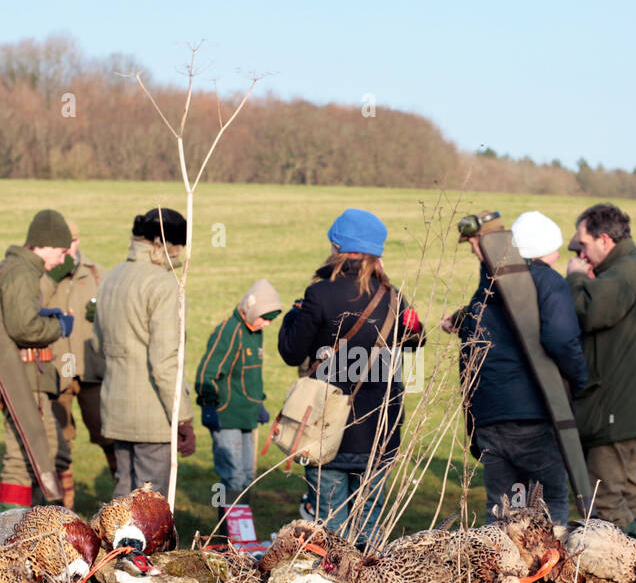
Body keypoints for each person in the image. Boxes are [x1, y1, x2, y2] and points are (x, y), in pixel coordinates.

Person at [277, 208, 425, 548]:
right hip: (378, 428)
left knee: (329, 524)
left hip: (326, 429)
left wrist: (292, 316)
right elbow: (418, 337)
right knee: (370, 524)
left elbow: (290, 352)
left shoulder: (319, 294)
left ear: (336, 247)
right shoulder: (393, 297)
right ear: (378, 253)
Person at [445, 210, 589, 527]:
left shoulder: (487, 287)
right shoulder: (549, 282)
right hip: (536, 413)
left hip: (489, 413)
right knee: (550, 503)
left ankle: (498, 566)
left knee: (501, 506)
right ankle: (551, 571)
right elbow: (561, 339)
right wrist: (580, 381)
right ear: (545, 248)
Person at [565, 203, 636, 537]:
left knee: (605, 496)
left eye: (584, 244)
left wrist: (576, 277)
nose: (581, 252)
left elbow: (588, 311)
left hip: (611, 407)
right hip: (626, 407)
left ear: (605, 240)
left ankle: (621, 567)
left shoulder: (625, 270)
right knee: (629, 492)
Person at [95, 207, 196, 499]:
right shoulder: (164, 286)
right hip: (154, 418)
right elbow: (164, 362)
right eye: (178, 249)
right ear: (164, 245)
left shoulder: (109, 279)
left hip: (116, 409)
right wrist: (183, 418)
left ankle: (113, 546)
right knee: (149, 509)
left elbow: (98, 344)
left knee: (122, 498)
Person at [0, 209, 75, 511]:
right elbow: (21, 327)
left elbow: (19, 316)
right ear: (45, 244)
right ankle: (9, 532)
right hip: (23, 377)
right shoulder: (22, 272)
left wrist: (44, 314)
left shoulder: (18, 269)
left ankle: (28, 527)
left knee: (40, 455)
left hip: (25, 376)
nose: (62, 259)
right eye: (61, 251)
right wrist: (58, 327)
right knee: (24, 458)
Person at [40, 217, 113, 508]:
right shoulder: (44, 277)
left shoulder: (97, 274)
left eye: (68, 243)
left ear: (77, 242)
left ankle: (124, 498)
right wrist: (52, 277)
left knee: (110, 436)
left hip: (94, 371)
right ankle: (63, 508)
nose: (65, 250)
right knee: (60, 442)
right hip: (57, 372)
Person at [195, 280, 283, 512]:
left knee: (246, 477)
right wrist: (208, 406)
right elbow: (208, 372)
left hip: (248, 416)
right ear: (252, 309)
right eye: (264, 318)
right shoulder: (228, 332)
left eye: (270, 320)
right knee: (232, 476)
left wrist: (259, 404)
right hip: (226, 417)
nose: (266, 324)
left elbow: (251, 376)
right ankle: (227, 534)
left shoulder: (255, 332)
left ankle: (244, 533)